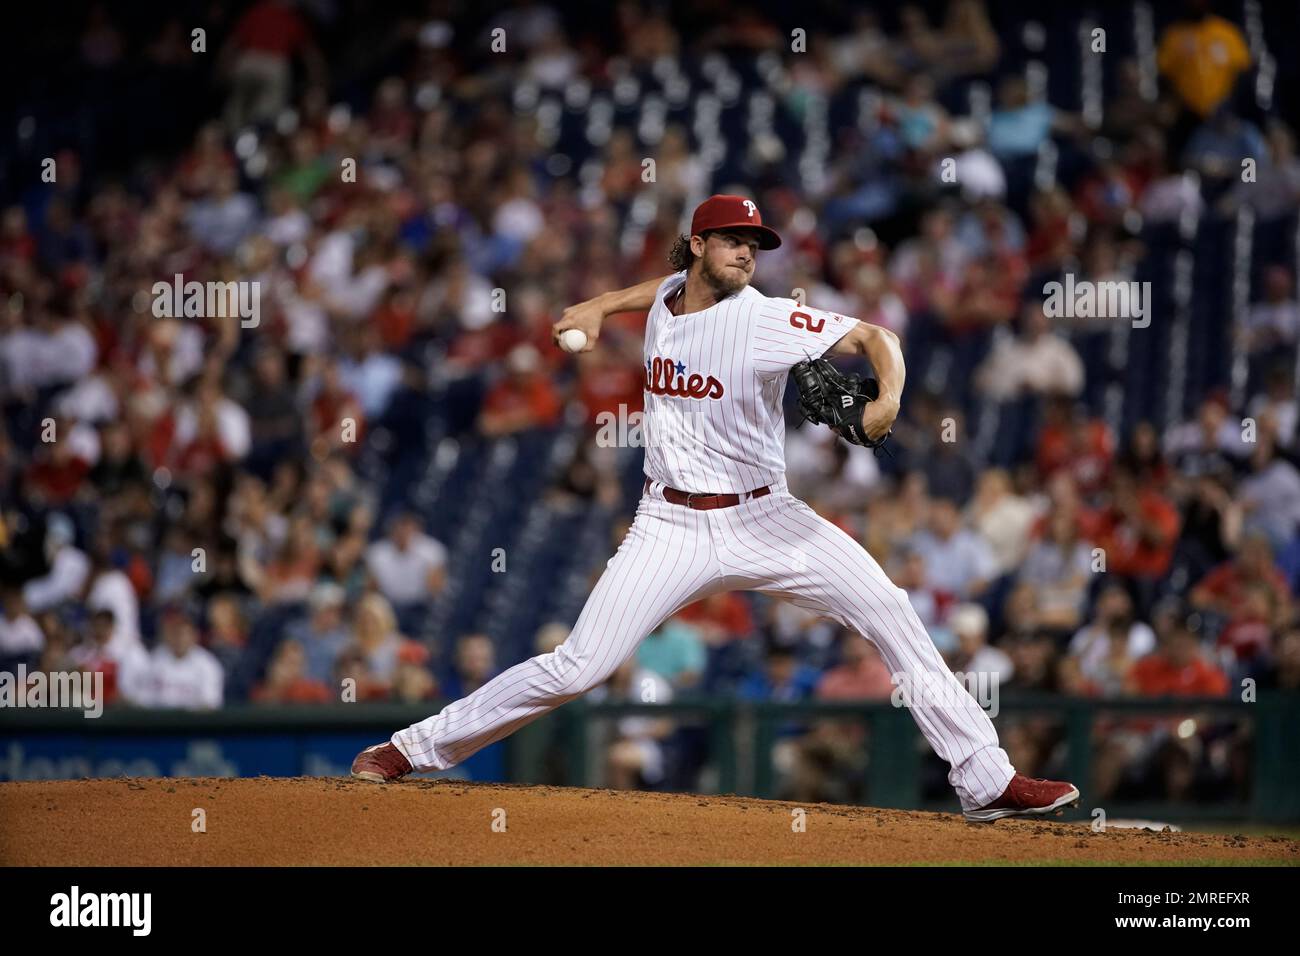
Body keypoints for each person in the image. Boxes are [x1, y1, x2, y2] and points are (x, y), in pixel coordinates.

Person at [351, 194, 1079, 821]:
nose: (747, 253)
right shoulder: (673, 293)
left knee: (889, 606)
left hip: (767, 519)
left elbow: (874, 336)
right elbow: (659, 292)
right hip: (669, 524)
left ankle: (985, 778)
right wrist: (603, 304)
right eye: (733, 240)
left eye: (756, 244)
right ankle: (410, 748)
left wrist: (887, 397)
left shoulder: (760, 318)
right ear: (698, 245)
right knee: (578, 666)